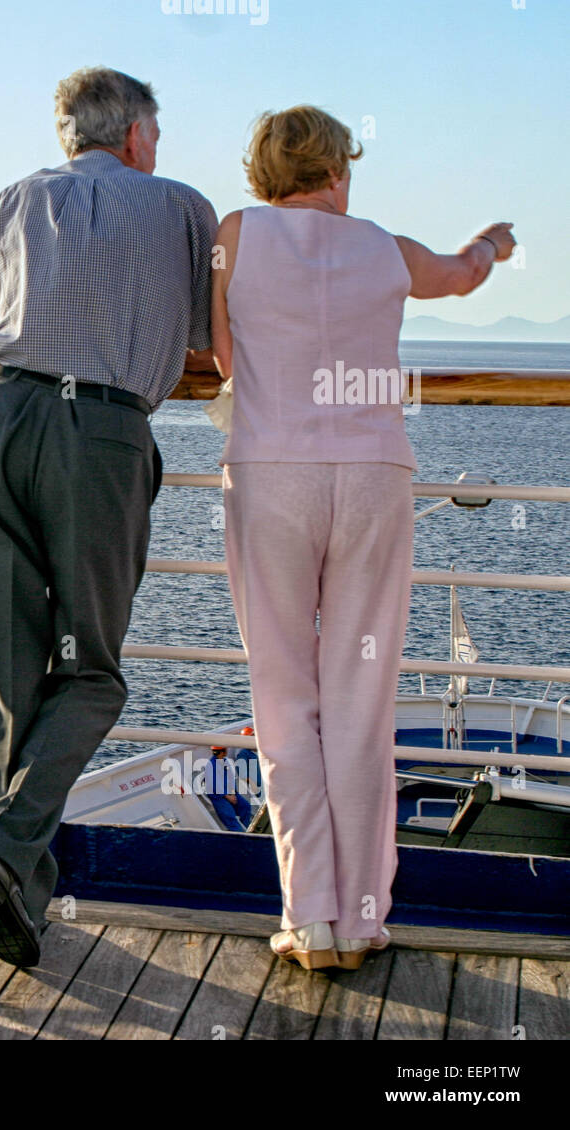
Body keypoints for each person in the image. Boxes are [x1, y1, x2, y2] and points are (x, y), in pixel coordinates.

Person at [212, 105, 515, 970]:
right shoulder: (384, 245)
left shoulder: (236, 233)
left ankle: (307, 917)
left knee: (283, 698)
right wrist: (493, 245)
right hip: (376, 477)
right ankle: (363, 917)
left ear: (265, 173)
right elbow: (460, 275)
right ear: (338, 171)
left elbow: (227, 358)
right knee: (361, 698)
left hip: (274, 476)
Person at [0, 66, 218, 967]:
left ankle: (15, 896)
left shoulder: (16, 196)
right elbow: (209, 344)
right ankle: (4, 851)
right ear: (138, 133)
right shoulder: (180, 205)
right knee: (92, 670)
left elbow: (3, 308)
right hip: (96, 430)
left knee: (7, 672)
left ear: (71, 135)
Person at [202, 745, 252, 831]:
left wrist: (232, 793)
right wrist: (227, 796)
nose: (227, 751)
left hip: (230, 792)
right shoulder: (210, 765)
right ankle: (239, 835)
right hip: (218, 796)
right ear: (222, 752)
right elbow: (215, 784)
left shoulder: (225, 761)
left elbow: (230, 778)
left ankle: (247, 829)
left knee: (245, 806)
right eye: (226, 750)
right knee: (230, 816)